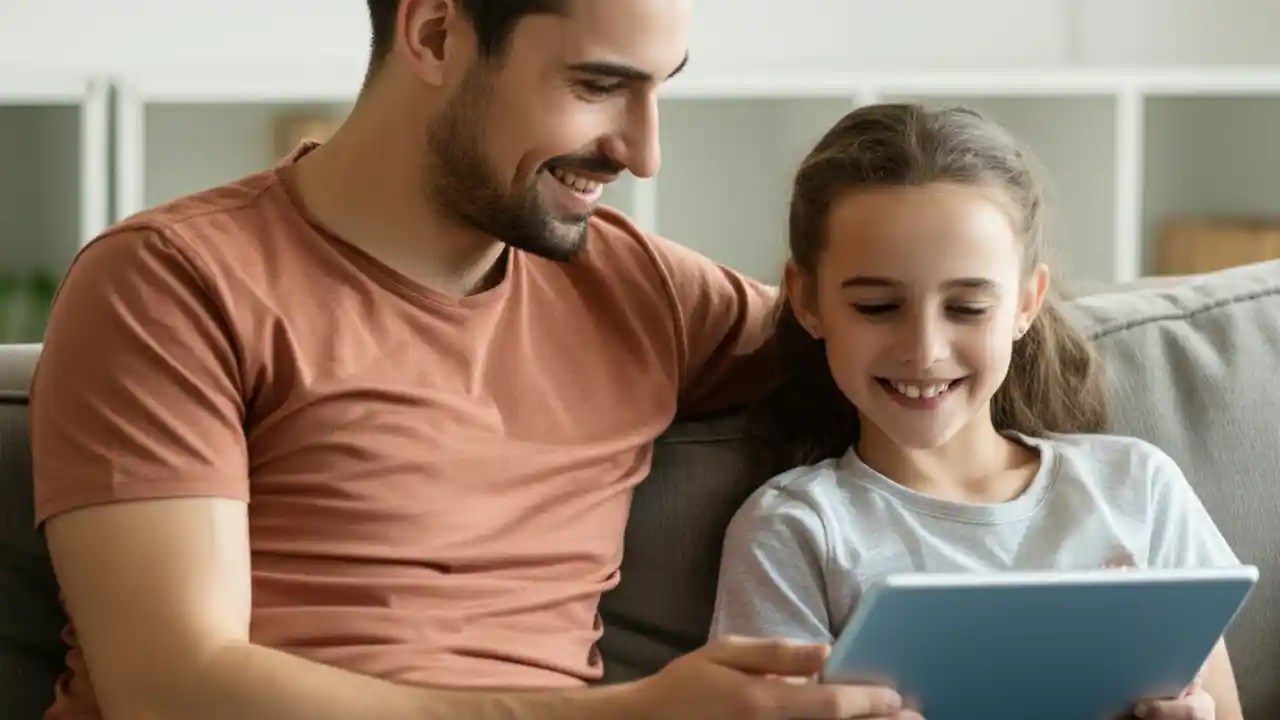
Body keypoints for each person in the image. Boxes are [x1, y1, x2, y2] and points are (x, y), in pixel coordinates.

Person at [29, 1, 922, 719]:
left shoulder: (641, 290)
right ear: (434, 33)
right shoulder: (172, 281)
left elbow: (917, 345)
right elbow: (170, 687)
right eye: (599, 84)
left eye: (659, 91)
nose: (643, 153)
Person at [708, 103, 1245, 720]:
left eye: (966, 309)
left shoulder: (1138, 489)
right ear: (808, 301)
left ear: (1025, 303)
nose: (924, 350)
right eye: (878, 306)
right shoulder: (796, 530)